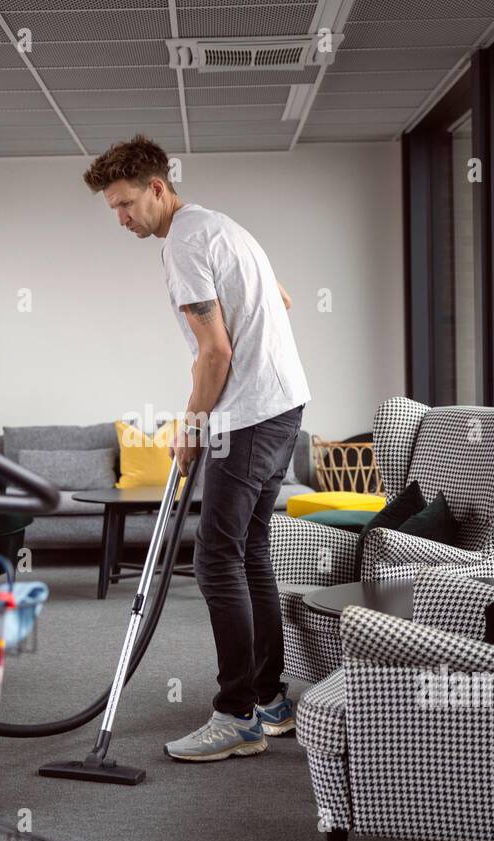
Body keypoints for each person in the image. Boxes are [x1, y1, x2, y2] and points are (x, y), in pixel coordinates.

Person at [83, 135, 311, 762]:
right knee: (251, 552)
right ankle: (271, 699)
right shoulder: (222, 227)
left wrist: (189, 423)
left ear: (158, 188)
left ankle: (236, 716)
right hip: (284, 403)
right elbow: (280, 299)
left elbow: (216, 352)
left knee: (215, 560)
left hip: (249, 417)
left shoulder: (184, 243)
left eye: (126, 204)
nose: (121, 218)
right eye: (113, 209)